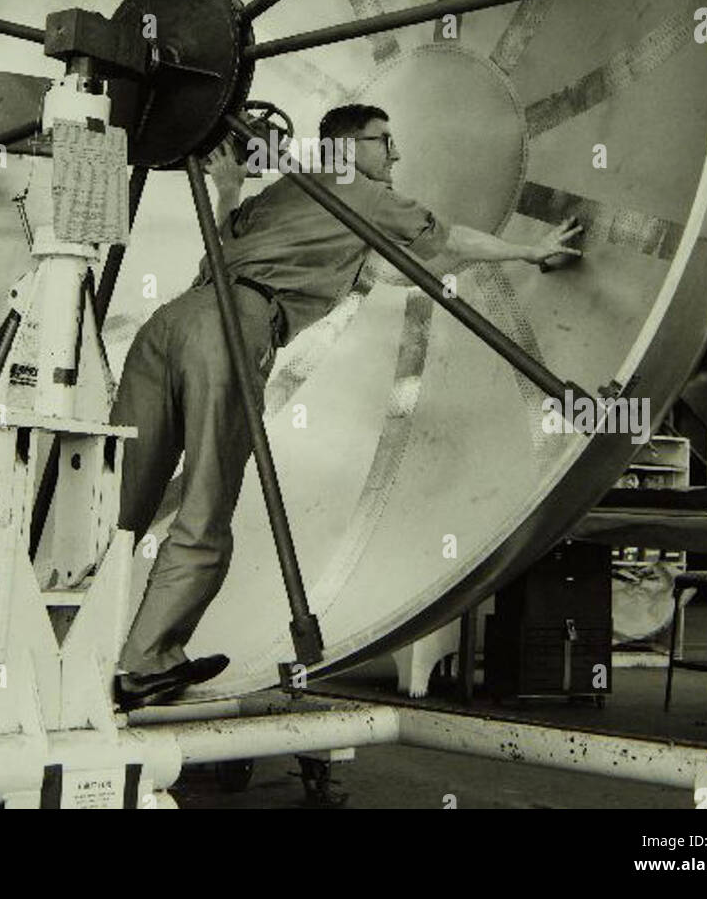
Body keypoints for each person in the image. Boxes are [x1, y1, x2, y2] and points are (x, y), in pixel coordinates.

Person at [111, 104, 582, 708]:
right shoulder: (357, 189)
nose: (395, 155)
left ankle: (62, 620)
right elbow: (448, 236)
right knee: (206, 496)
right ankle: (149, 659)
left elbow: (221, 250)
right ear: (343, 145)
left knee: (118, 491)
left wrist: (228, 188)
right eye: (383, 141)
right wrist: (526, 251)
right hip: (234, 328)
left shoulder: (291, 190)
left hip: (170, 322)